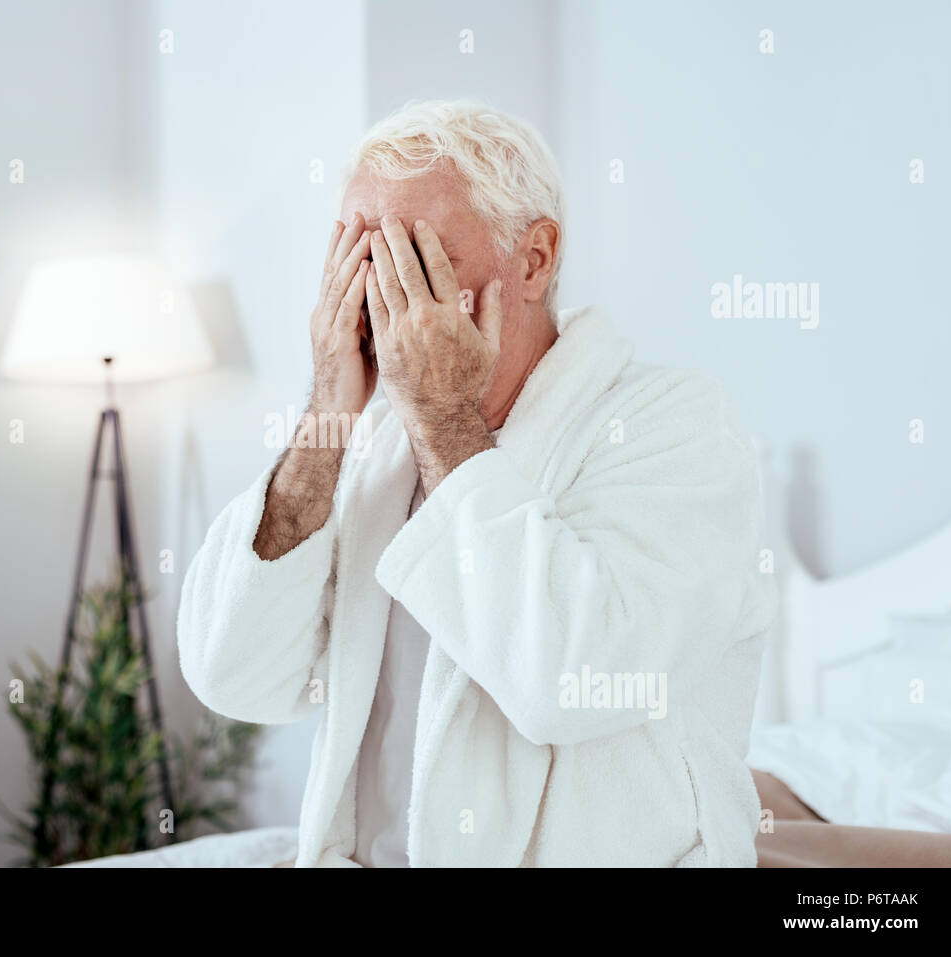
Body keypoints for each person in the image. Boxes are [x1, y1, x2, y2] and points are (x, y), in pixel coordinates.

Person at [178, 99, 777, 867]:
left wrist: (442, 417)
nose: (378, 296)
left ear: (533, 260)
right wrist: (329, 411)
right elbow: (234, 675)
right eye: (359, 259)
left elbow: (573, 678)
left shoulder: (676, 425)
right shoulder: (371, 445)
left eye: (413, 263)